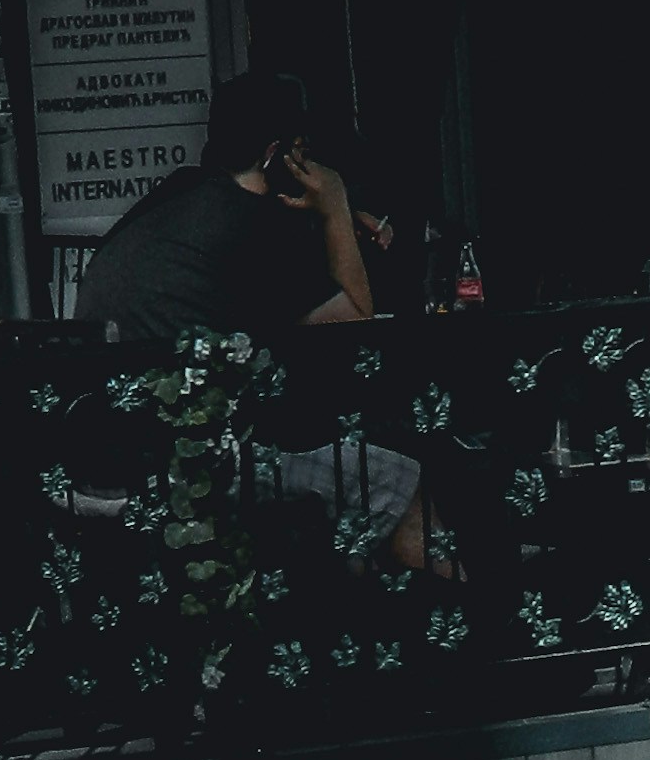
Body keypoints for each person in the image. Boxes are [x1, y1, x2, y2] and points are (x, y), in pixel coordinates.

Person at [76, 70, 430, 565]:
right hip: (196, 473)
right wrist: (334, 204)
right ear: (277, 155)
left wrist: (338, 221)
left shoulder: (179, 194)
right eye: (303, 154)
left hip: (109, 463)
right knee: (396, 481)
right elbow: (355, 324)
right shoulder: (251, 226)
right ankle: (473, 607)